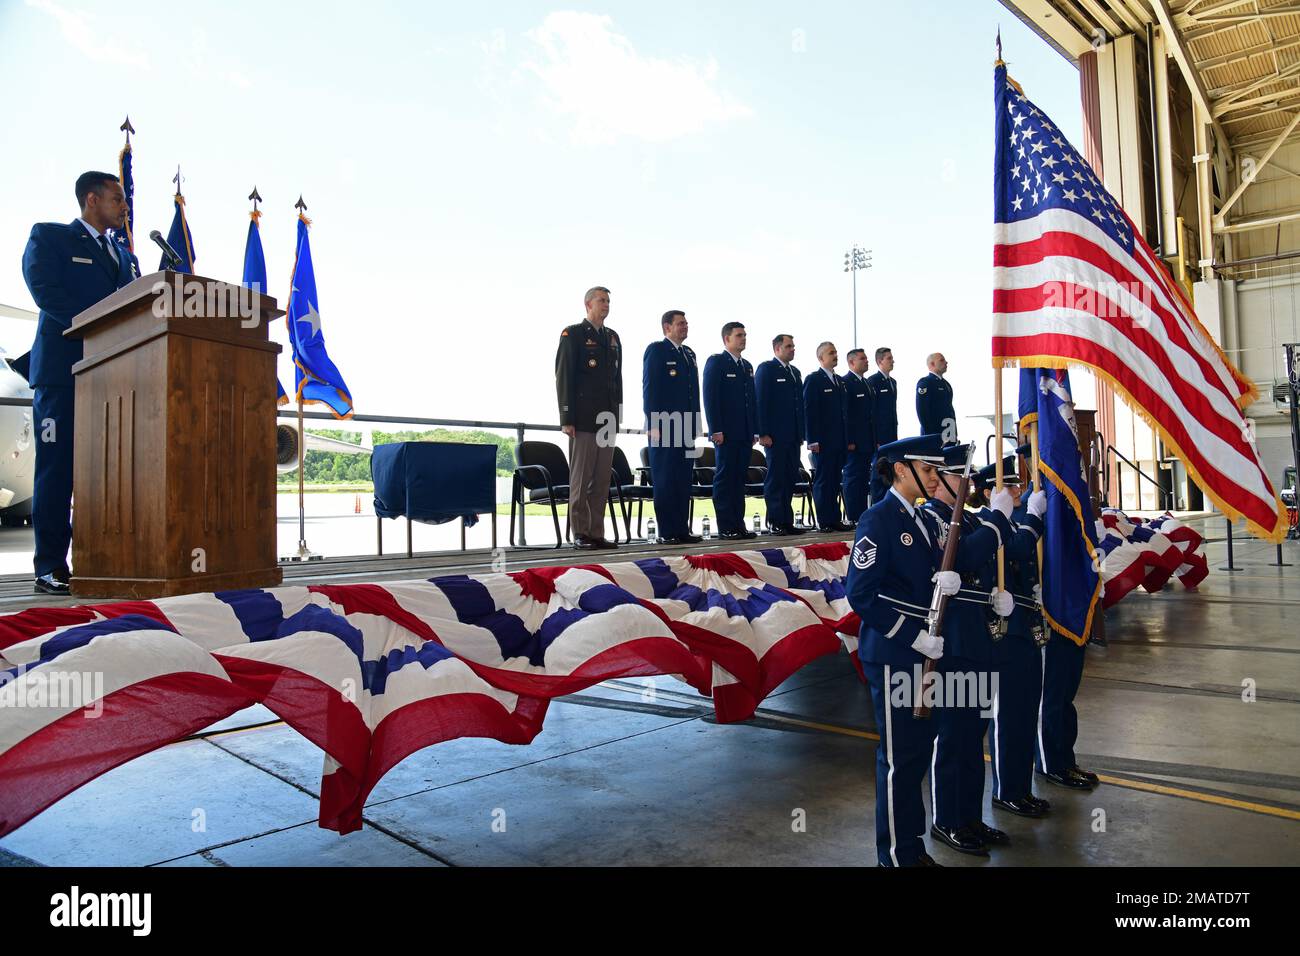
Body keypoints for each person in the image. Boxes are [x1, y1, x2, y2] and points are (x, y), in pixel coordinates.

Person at [21, 171, 141, 594]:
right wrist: (97, 329)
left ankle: (100, 560)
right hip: (63, 375)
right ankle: (50, 566)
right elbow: (45, 292)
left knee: (105, 475)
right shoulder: (51, 238)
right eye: (116, 198)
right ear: (91, 200)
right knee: (58, 473)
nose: (124, 205)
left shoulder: (125, 256)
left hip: (115, 381)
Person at [846, 433, 956, 867]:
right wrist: (911, 634)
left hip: (925, 656)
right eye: (927, 470)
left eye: (935, 471)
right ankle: (895, 855)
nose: (934, 478)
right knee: (898, 760)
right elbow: (861, 594)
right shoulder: (878, 520)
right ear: (900, 469)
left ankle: (911, 846)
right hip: (895, 654)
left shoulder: (924, 520)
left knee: (917, 755)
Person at [920, 445, 1025, 856]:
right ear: (945, 479)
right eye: (964, 476)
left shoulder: (966, 518)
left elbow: (985, 566)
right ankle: (947, 819)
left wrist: (997, 598)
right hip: (952, 644)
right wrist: (998, 519)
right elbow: (962, 557)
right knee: (953, 736)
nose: (973, 483)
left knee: (974, 735)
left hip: (977, 639)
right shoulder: (932, 518)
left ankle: (970, 816)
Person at [968, 455, 1053, 819]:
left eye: (1019, 485)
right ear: (991, 493)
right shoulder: (991, 523)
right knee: (1007, 715)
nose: (1019, 491)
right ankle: (1007, 790)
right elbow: (1017, 548)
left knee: (1024, 712)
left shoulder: (1012, 519)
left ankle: (1020, 786)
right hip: (1003, 630)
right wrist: (1034, 517)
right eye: (1012, 486)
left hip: (1027, 625)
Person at [555, 286, 622, 550]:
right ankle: (580, 532)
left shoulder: (613, 337)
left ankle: (596, 532)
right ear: (587, 305)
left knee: (602, 479)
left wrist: (617, 415)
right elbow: (564, 376)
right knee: (581, 479)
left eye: (608, 300)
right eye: (601, 300)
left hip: (607, 419)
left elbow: (617, 381)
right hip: (582, 418)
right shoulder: (573, 334)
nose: (606, 304)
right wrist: (566, 416)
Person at [643, 310, 702, 545]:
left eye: (686, 323)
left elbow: (693, 392)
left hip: (686, 425)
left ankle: (681, 529)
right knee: (666, 478)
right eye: (681, 323)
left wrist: (696, 424)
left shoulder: (689, 353)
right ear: (667, 327)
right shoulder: (657, 350)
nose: (685, 326)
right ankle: (667, 531)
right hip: (665, 425)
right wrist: (653, 421)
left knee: (682, 478)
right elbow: (650, 388)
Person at [702, 321, 757, 540]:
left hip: (744, 433)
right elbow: (710, 397)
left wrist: (754, 430)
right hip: (725, 433)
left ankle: (738, 524)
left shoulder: (746, 366)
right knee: (725, 478)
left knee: (738, 478)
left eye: (745, 335)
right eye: (739, 335)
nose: (743, 338)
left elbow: (752, 401)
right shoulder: (717, 362)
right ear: (727, 339)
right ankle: (726, 526)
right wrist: (715, 429)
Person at [754, 334, 804, 535]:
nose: (793, 349)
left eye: (793, 346)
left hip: (792, 436)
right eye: (788, 346)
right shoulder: (767, 369)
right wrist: (762, 433)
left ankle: (786, 521)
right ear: (777, 349)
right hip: (774, 436)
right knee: (776, 479)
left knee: (789, 477)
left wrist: (801, 432)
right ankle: (775, 521)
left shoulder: (794, 372)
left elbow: (799, 406)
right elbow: (761, 402)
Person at [803, 341, 853, 532]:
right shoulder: (814, 380)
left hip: (839, 441)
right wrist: (813, 439)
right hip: (823, 441)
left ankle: (834, 518)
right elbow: (810, 411)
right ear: (821, 357)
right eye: (831, 353)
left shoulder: (840, 381)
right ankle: (824, 520)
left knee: (834, 481)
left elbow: (844, 414)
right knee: (824, 481)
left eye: (836, 352)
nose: (835, 355)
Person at [841, 348, 875, 523]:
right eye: (863, 358)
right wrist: (850, 439)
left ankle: (862, 514)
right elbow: (847, 415)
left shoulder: (866, 383)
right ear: (852, 362)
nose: (867, 361)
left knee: (863, 479)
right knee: (853, 478)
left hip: (868, 440)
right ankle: (854, 516)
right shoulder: (846, 383)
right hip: (855, 441)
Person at [866, 347, 898, 506]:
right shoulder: (873, 381)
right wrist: (876, 437)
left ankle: (888, 504)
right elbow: (873, 412)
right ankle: (878, 504)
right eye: (889, 358)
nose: (893, 361)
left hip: (891, 434)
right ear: (880, 361)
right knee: (878, 472)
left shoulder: (892, 382)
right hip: (880, 436)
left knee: (889, 471)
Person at [916, 352, 957, 442]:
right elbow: (922, 411)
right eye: (942, 360)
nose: (946, 362)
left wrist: (954, 433)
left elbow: (949, 410)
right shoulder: (925, 383)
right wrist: (930, 436)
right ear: (932, 364)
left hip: (949, 434)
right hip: (934, 435)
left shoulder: (946, 384)